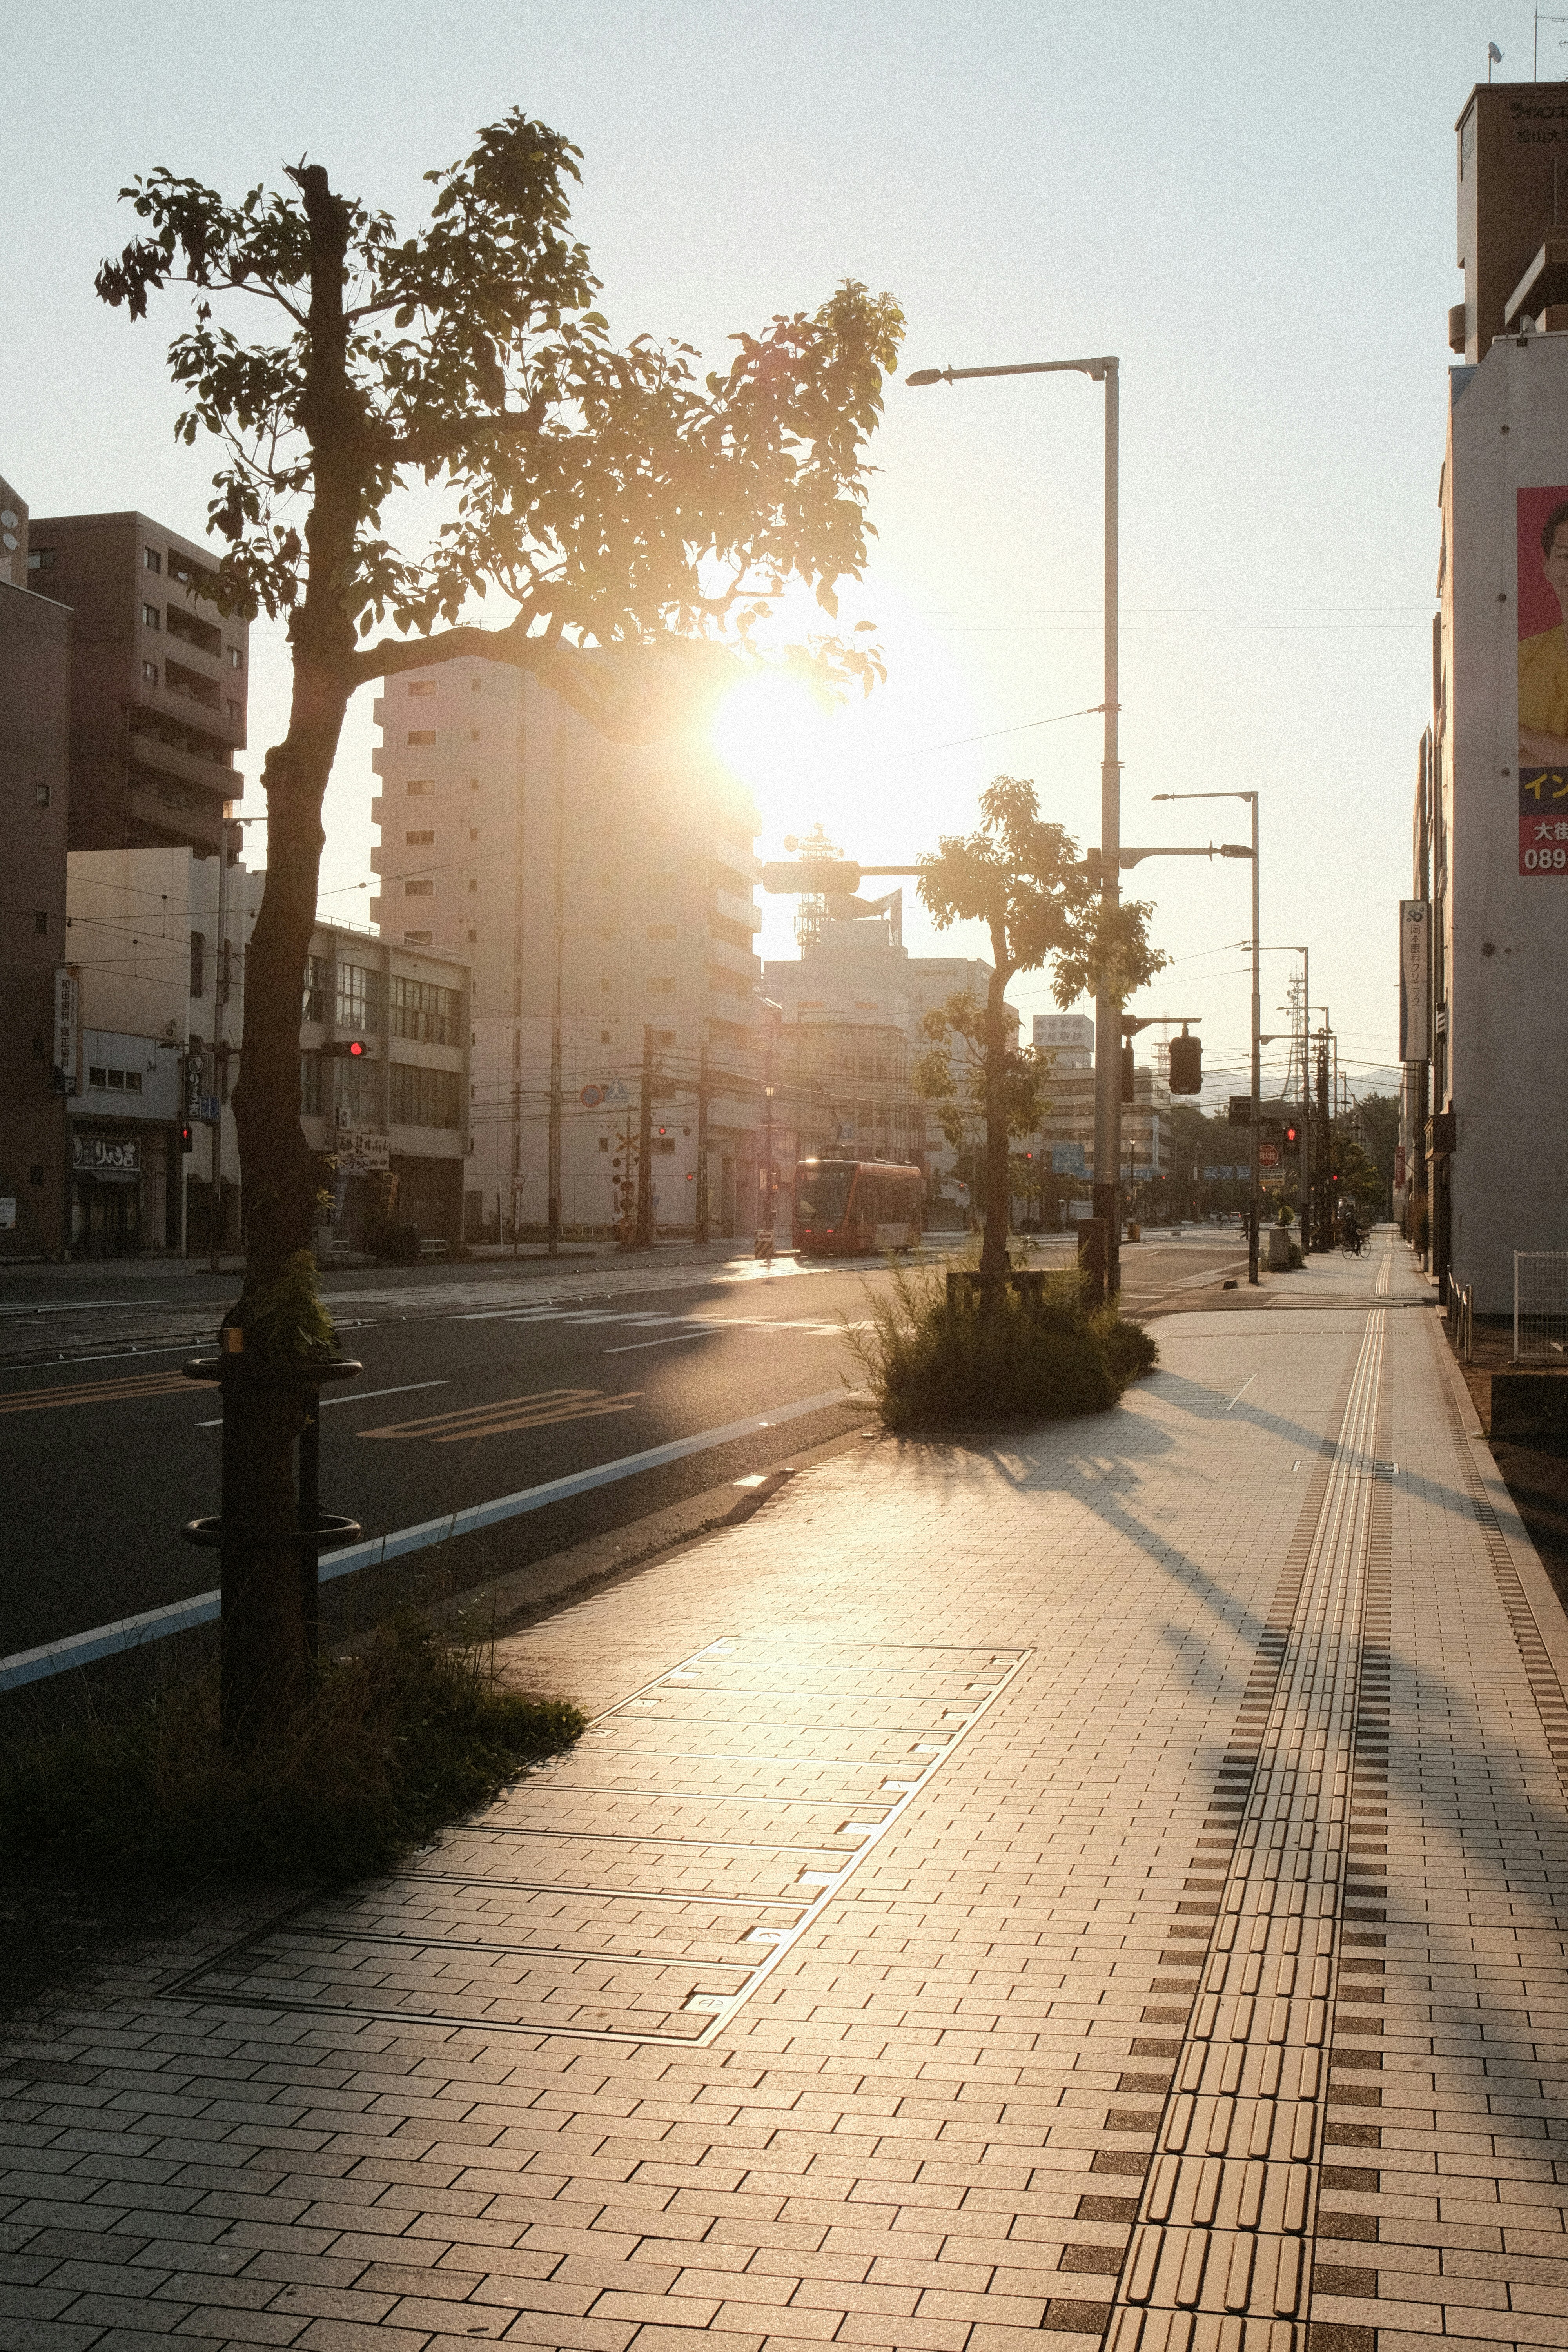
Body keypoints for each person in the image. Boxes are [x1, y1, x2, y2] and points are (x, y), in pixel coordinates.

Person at [1518, 498, 1568, 760]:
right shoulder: (1523, 657)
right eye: (1565, 555)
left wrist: (1523, 738)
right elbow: (1498, 756)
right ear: (1547, 567)